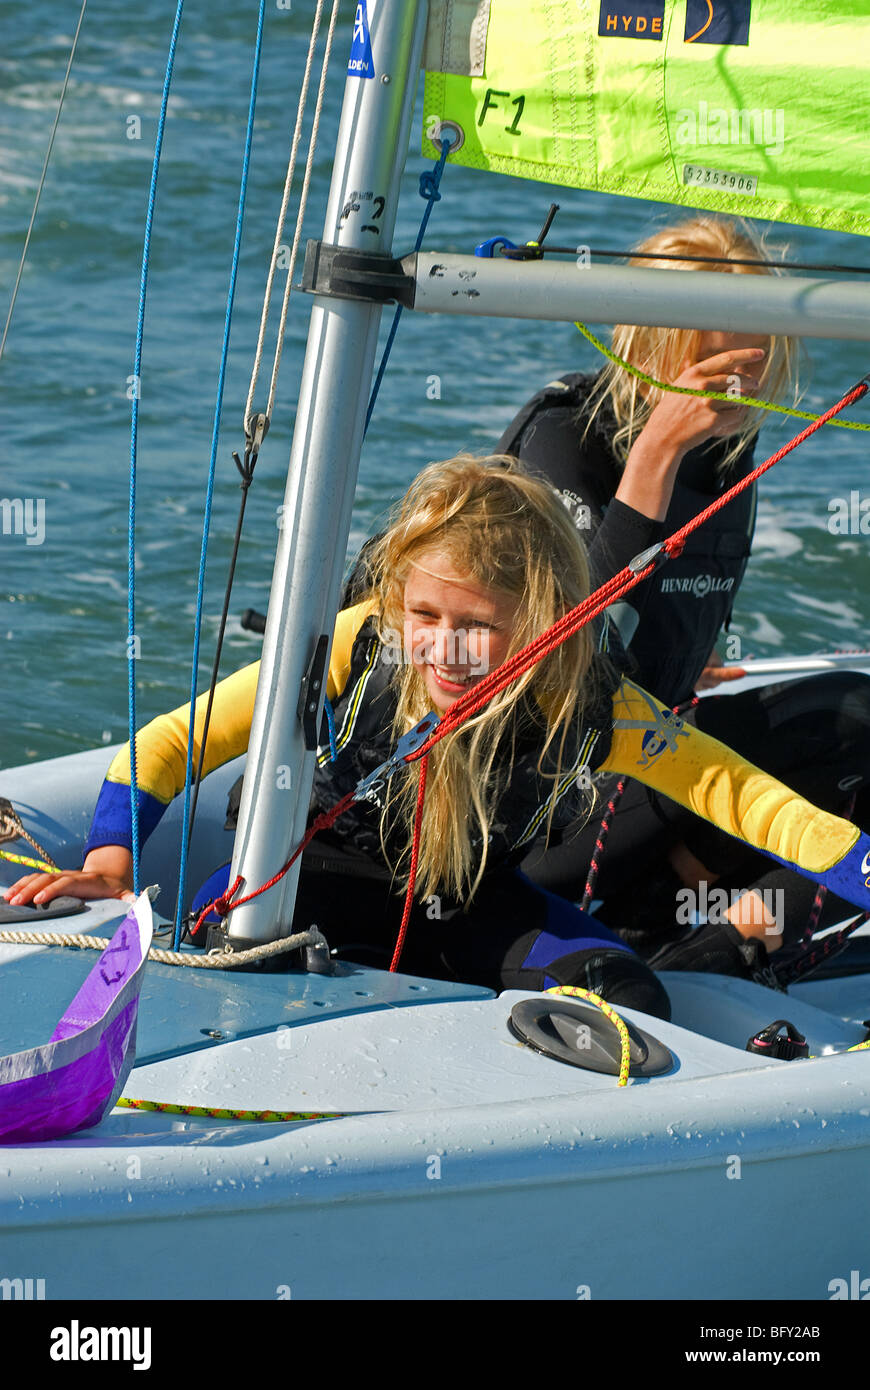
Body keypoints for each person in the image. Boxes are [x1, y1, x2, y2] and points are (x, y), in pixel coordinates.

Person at [6, 457, 870, 1020]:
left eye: (479, 624)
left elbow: (741, 796)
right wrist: (113, 867)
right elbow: (169, 742)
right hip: (298, 896)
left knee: (632, 997)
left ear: (542, 620)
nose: (443, 647)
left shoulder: (591, 700)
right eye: (425, 614)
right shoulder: (357, 643)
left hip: (469, 910)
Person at [494, 215, 870, 979]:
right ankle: (699, 926)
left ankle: (716, 932)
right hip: (538, 810)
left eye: (750, 363)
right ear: (653, 346)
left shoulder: (730, 453)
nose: (734, 389)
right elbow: (553, 665)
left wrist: (682, 655)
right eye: (710, 366)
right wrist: (655, 457)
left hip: (655, 771)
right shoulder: (565, 438)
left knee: (855, 722)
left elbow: (658, 623)